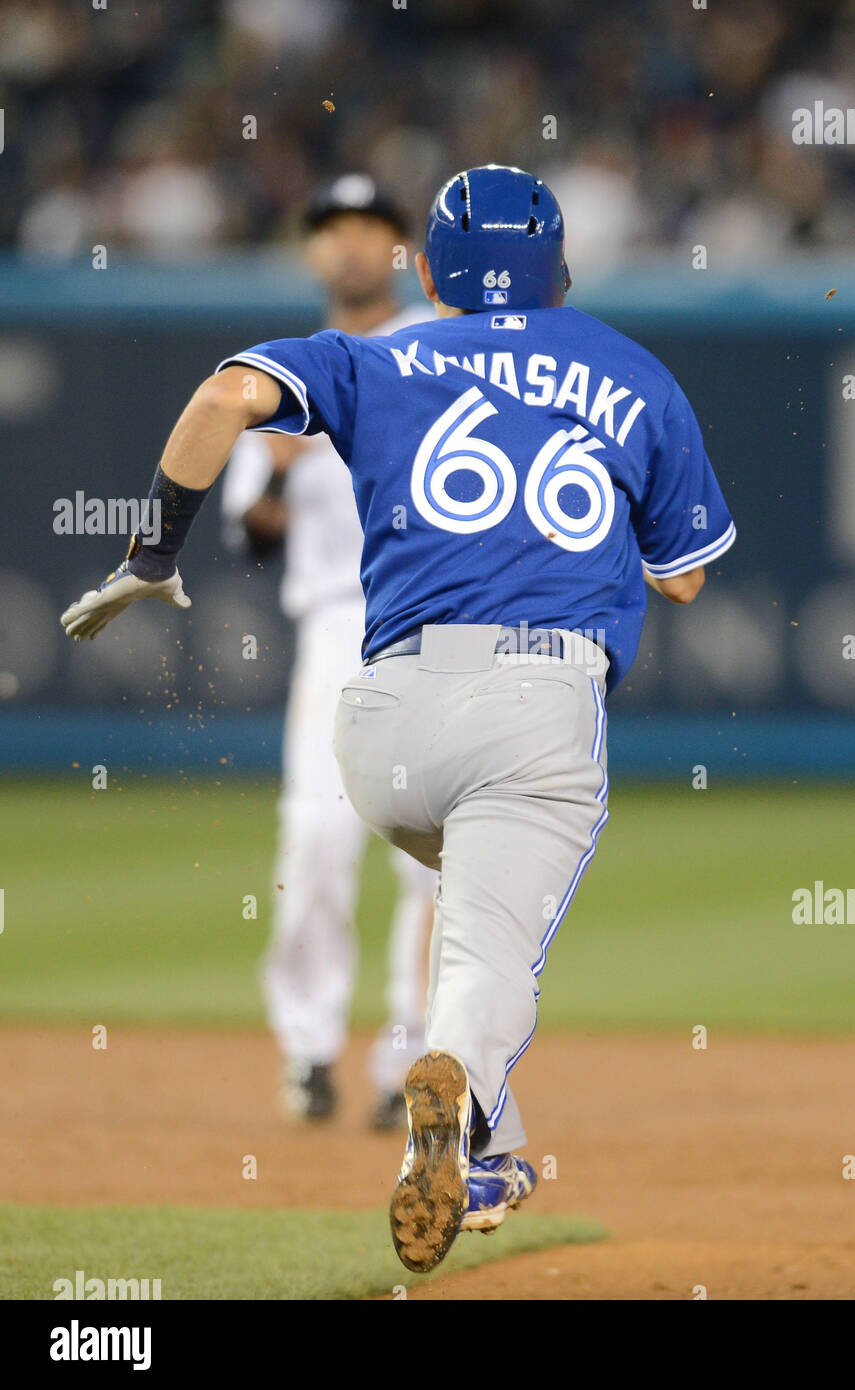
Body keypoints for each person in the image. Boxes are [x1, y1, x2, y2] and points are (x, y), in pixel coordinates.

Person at [60, 163, 735, 1273]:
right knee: (486, 952)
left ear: (426, 272)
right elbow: (686, 579)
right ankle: (453, 1112)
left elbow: (225, 397)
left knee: (458, 903)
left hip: (377, 722)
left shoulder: (372, 357)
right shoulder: (632, 372)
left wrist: (151, 551)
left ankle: (492, 1147)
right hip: (533, 705)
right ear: (559, 275)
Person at [220, 175, 436, 1129]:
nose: (350, 245)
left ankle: (412, 1059)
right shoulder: (281, 375)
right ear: (311, 251)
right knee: (314, 837)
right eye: (332, 230)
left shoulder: (442, 350)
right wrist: (277, 459)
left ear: (399, 248)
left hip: (435, 622)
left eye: (370, 228)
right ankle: (308, 1049)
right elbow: (252, 533)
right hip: (335, 627)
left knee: (434, 858)